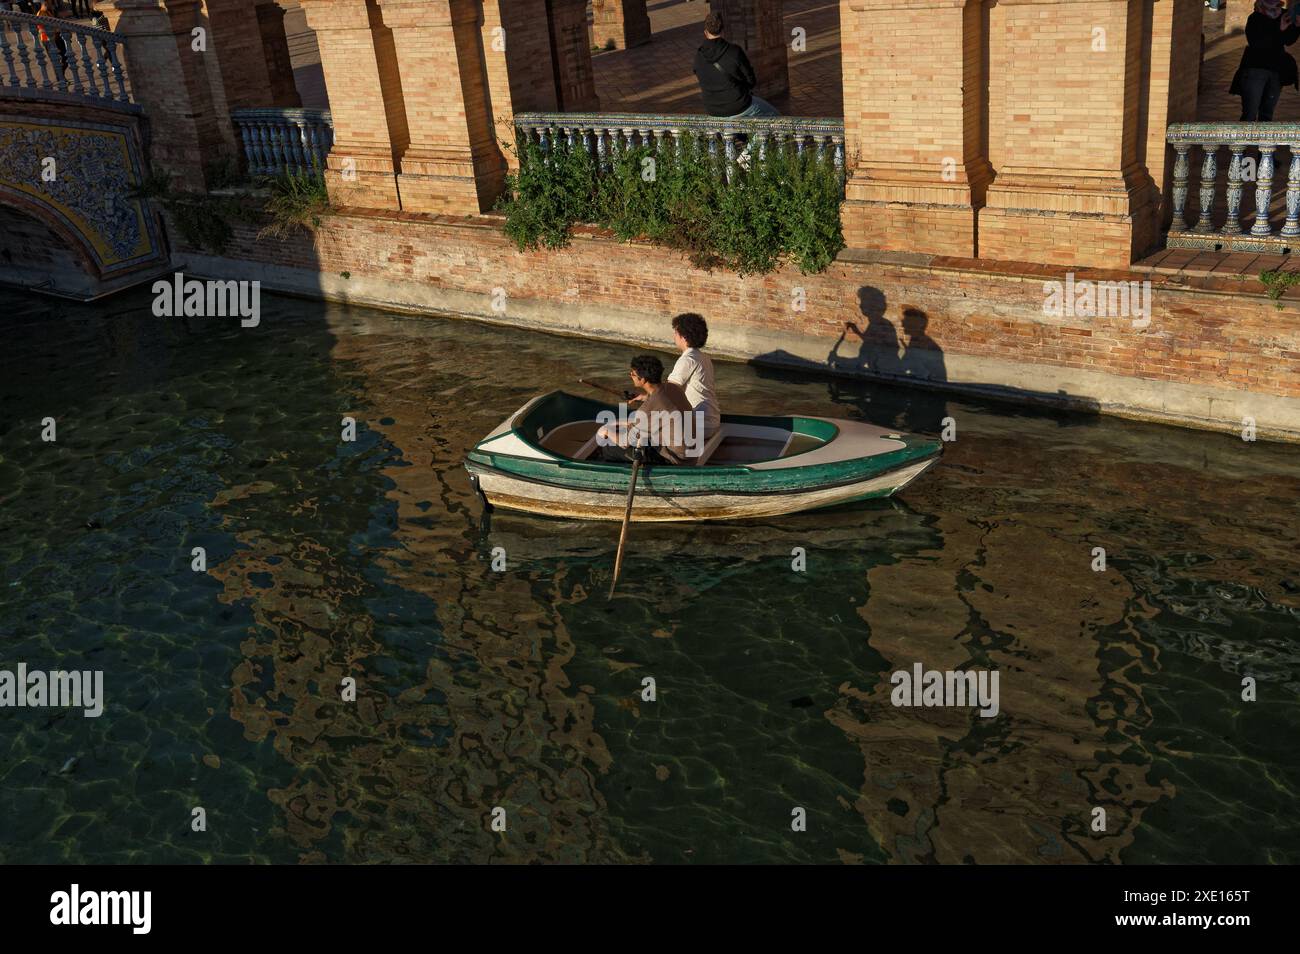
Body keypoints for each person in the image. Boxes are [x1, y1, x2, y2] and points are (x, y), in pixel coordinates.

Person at [596, 355, 695, 464]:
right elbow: (662, 404)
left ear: (642, 379)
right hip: (693, 451)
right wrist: (646, 397)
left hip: (675, 459)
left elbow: (624, 442)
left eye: (632, 374)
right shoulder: (673, 388)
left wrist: (606, 430)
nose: (630, 376)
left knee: (608, 447)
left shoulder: (648, 409)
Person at [692, 12, 777, 120]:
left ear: (705, 32)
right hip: (739, 105)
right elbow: (751, 81)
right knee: (775, 116)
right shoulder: (734, 51)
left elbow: (700, 75)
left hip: (713, 109)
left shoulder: (699, 56)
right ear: (723, 30)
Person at [1230, 0, 1300, 121]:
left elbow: (1289, 40)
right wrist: (1280, 30)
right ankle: (1243, 140)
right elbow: (1258, 43)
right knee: (1249, 114)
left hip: (1276, 69)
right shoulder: (1255, 18)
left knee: (1267, 114)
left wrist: (1297, 27)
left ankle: (1262, 139)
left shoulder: (1284, 15)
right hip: (1255, 69)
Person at [666, 312, 721, 439]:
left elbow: (669, 392)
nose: (674, 336)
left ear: (684, 337)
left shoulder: (687, 360)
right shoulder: (704, 357)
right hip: (712, 420)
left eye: (675, 332)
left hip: (700, 425)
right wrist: (645, 396)